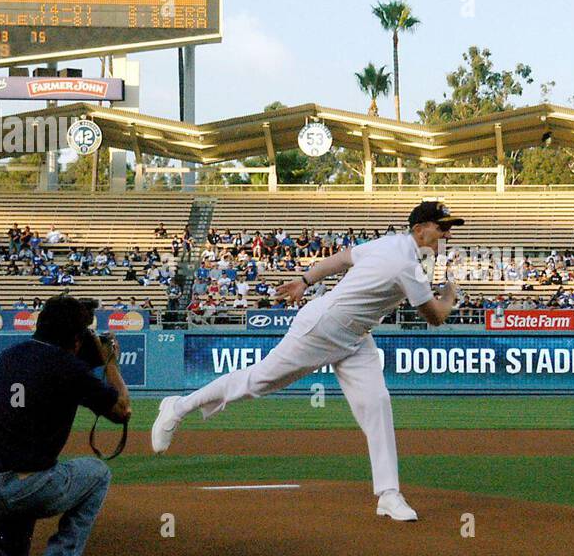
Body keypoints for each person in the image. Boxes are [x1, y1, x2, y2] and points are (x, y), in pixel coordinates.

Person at [151, 201, 464, 522]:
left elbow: (342, 258)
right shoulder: (404, 260)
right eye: (442, 227)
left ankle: (389, 494)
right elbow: (436, 317)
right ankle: (177, 407)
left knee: (377, 403)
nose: (448, 233)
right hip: (322, 328)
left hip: (356, 337)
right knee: (258, 381)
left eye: (449, 228)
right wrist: (450, 295)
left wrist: (305, 279)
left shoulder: (398, 246)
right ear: (419, 229)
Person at [0, 296, 132, 556]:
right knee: (98, 473)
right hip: (27, 487)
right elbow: (121, 410)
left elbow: (43, 372)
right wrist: (110, 362)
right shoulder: (69, 369)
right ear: (77, 338)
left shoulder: (8, 356)